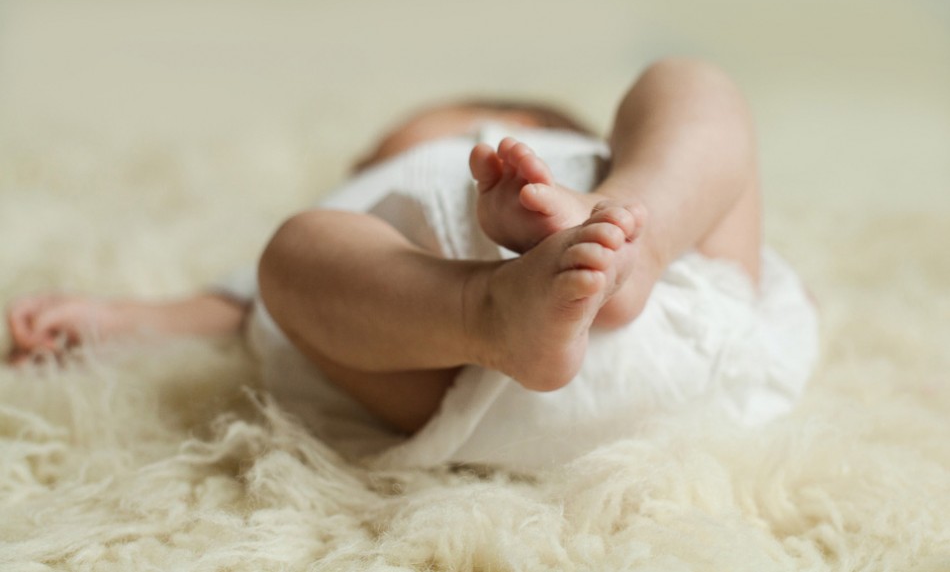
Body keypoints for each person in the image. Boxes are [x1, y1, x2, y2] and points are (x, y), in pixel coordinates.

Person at [4, 59, 818, 469]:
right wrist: (109, 321)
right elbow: (233, 307)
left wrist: (623, 198)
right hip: (449, 364)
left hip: (681, 298)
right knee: (292, 258)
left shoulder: (577, 151)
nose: (390, 152)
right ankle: (497, 304)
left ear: (523, 123)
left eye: (447, 127)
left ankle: (631, 233)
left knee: (689, 90)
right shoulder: (362, 205)